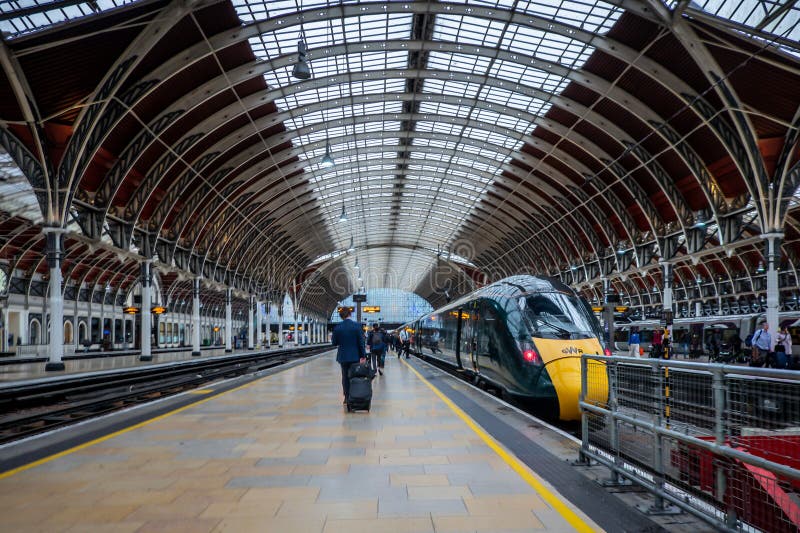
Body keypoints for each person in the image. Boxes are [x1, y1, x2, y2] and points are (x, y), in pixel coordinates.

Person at [331, 307, 366, 404]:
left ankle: (346, 397)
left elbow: (334, 343)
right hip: (355, 356)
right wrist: (363, 356)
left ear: (341, 316)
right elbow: (361, 343)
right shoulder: (357, 326)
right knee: (354, 376)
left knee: (345, 377)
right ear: (350, 314)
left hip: (343, 357)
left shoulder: (337, 327)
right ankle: (354, 396)